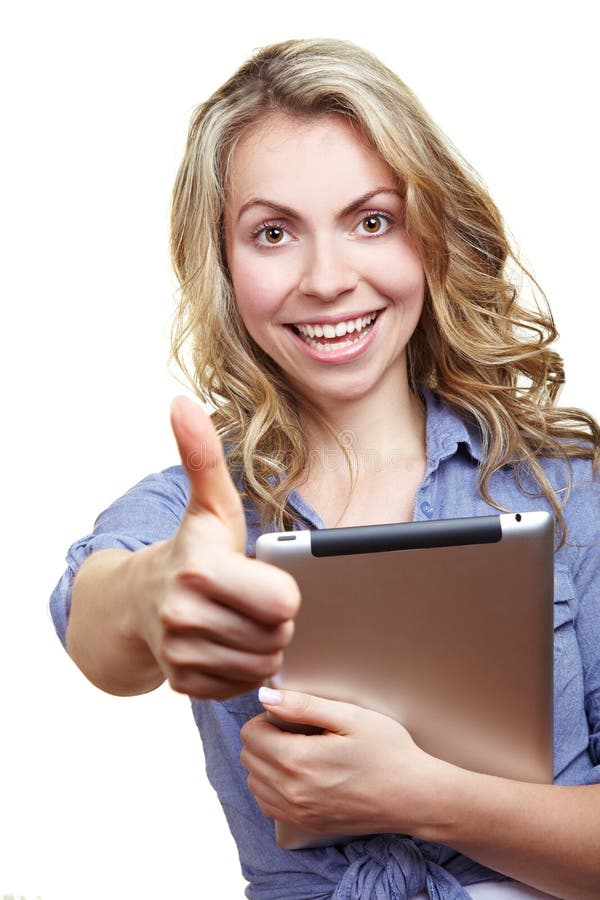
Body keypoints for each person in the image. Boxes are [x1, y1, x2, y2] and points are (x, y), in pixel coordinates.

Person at [50, 38, 600, 899]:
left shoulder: (565, 491)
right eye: (273, 234)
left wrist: (425, 796)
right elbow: (97, 627)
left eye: (370, 220)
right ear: (225, 267)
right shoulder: (203, 508)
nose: (328, 279)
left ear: (429, 231)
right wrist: (161, 593)